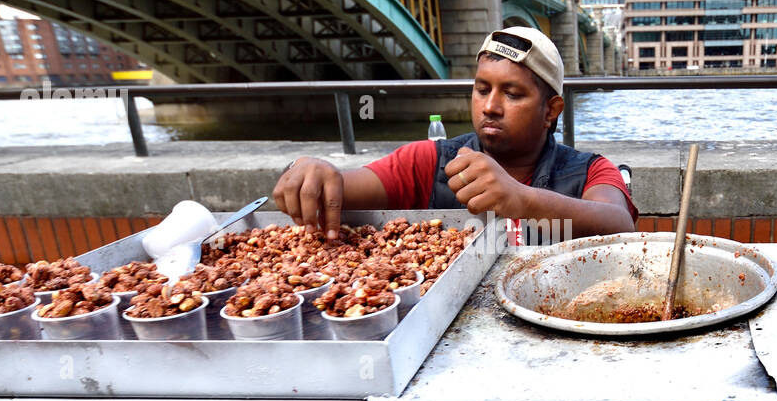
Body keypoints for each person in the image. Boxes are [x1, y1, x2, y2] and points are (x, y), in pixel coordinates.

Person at [272, 26, 637, 242]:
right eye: (482, 89)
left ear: (551, 110)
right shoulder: (430, 162)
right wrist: (314, 173)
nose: (490, 106)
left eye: (512, 94)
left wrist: (520, 199)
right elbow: (340, 188)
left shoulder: (589, 171)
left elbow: (619, 224)